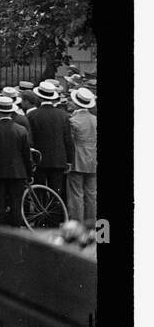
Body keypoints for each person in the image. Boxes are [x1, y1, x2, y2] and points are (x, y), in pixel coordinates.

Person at [0, 95, 33, 227]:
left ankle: (0, 232)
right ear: (11, 111)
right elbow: (26, 154)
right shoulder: (21, 130)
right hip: (18, 172)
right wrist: (29, 173)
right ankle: (15, 231)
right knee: (16, 204)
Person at [25, 83, 74, 200]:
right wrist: (69, 160)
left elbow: (30, 140)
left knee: (39, 191)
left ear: (39, 97)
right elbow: (68, 139)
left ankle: (41, 215)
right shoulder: (63, 115)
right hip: (58, 159)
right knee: (56, 192)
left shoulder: (32, 115)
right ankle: (56, 215)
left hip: (40, 159)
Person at [66, 87, 97, 226]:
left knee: (76, 194)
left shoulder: (73, 120)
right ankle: (91, 223)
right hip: (92, 159)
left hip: (78, 159)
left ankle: (77, 224)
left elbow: (70, 143)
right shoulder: (94, 119)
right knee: (91, 194)